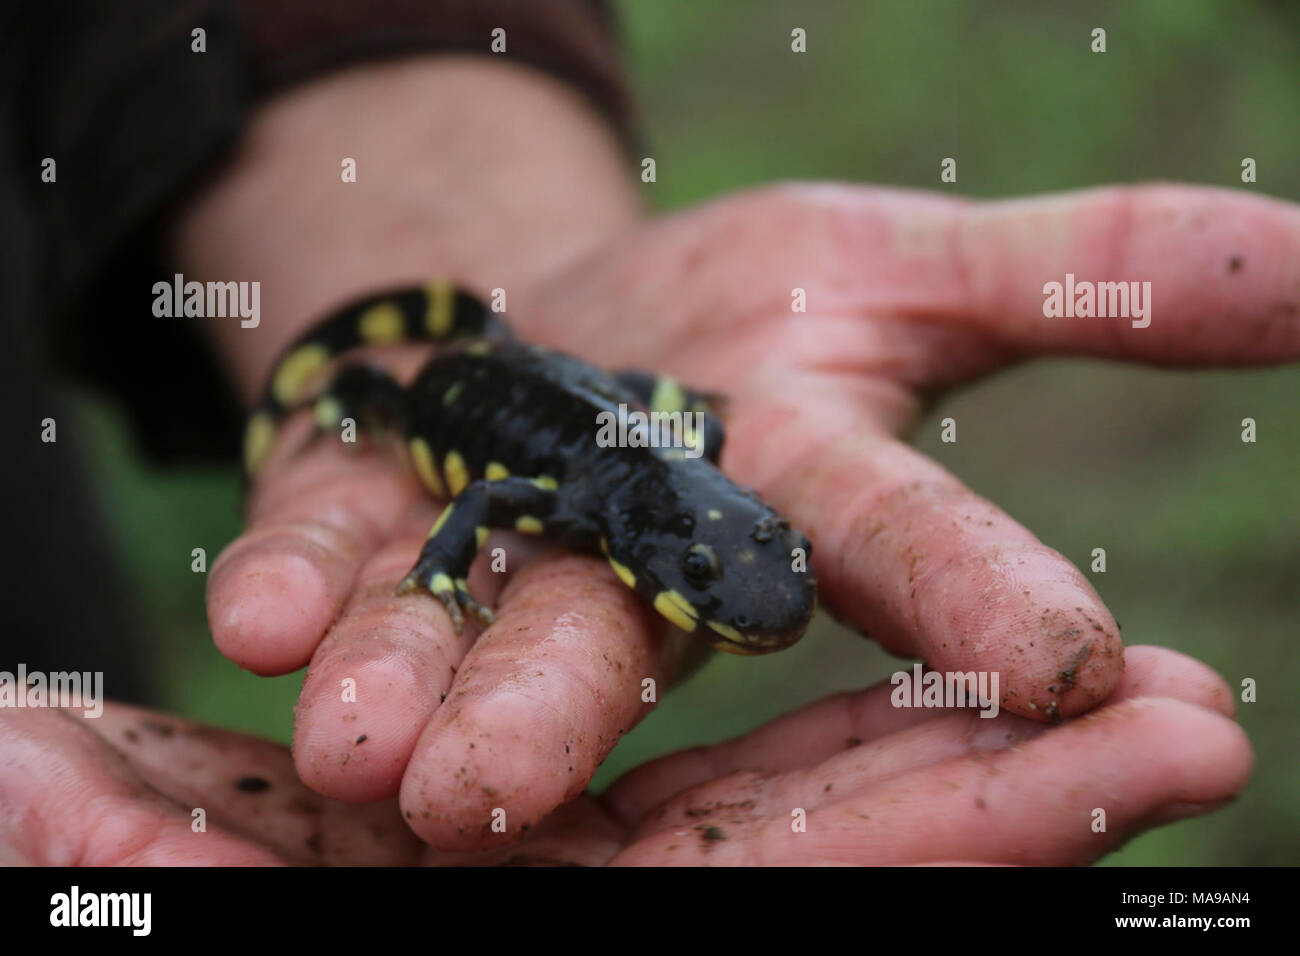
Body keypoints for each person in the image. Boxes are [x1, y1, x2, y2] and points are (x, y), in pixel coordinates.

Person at [2, 2, 1289, 864]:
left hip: (552, 374)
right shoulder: (579, 501)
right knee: (397, 394)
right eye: (708, 584)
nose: (745, 598)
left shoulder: (664, 482)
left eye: (747, 564)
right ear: (638, 548)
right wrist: (440, 569)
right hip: (464, 388)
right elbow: (476, 501)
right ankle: (351, 390)